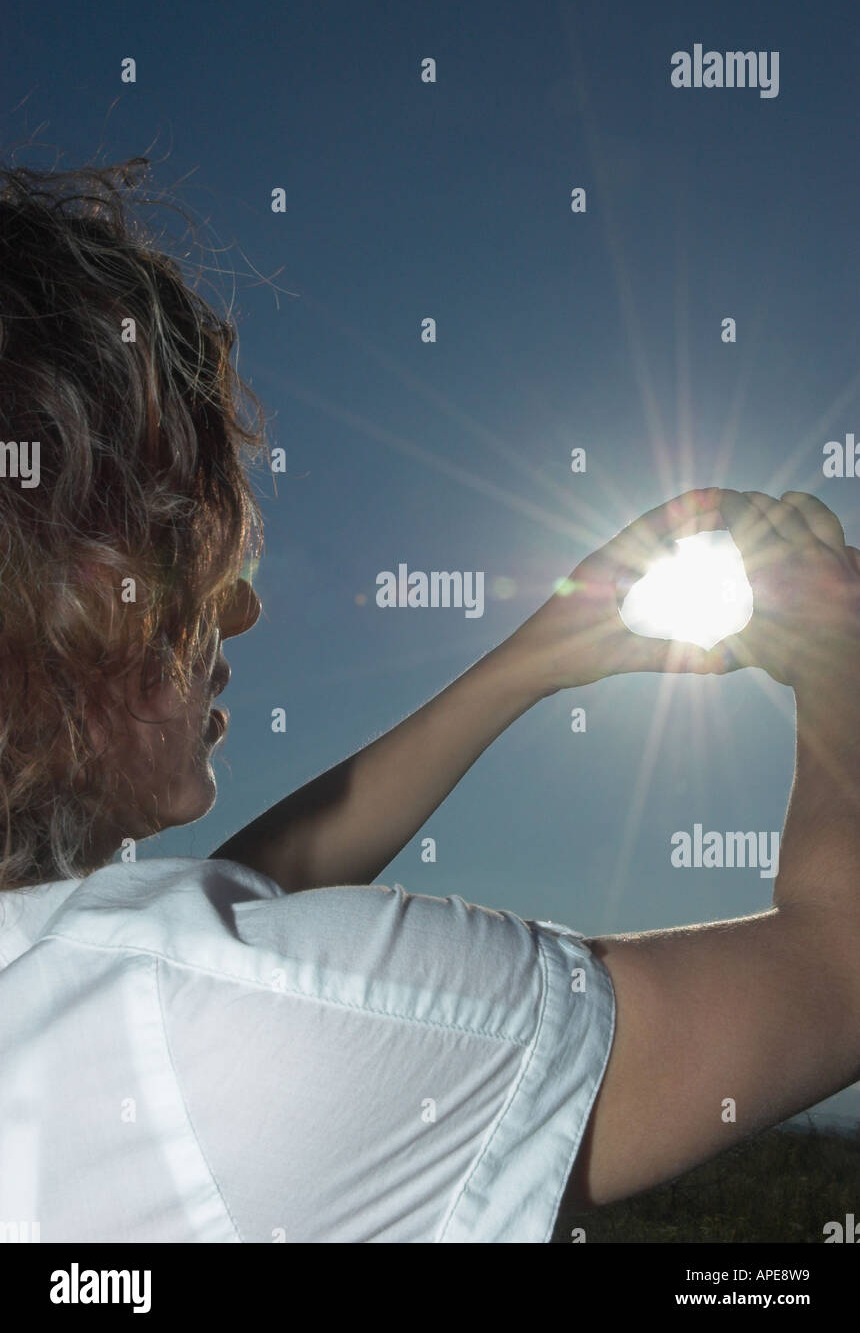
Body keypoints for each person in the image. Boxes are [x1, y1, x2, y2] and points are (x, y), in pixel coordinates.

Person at [1, 159, 858, 1244]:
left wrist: (535, 660)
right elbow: (840, 965)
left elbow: (219, 910)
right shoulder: (222, 1033)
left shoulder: (75, 991)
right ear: (79, 594)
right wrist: (833, 651)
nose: (244, 615)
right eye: (186, 554)